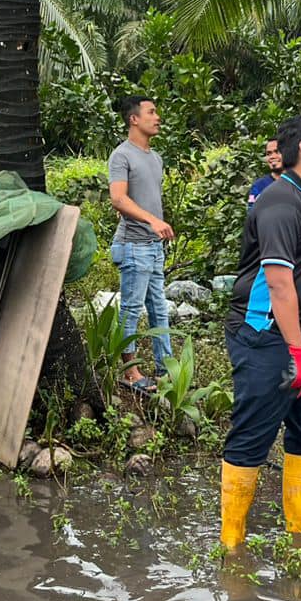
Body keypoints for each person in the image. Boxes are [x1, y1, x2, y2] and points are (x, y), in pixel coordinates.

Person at [220, 114, 301, 549]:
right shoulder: (278, 202)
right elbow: (278, 282)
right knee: (252, 435)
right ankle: (232, 546)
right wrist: (295, 353)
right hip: (265, 335)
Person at [107, 95, 174, 390]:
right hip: (133, 245)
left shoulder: (155, 158)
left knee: (159, 308)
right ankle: (130, 373)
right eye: (152, 112)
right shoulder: (121, 155)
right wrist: (153, 220)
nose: (157, 117)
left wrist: (156, 226)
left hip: (153, 247)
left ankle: (166, 370)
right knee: (131, 309)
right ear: (134, 119)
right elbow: (118, 199)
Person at [247, 137, 283, 208]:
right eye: (269, 153)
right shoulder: (258, 186)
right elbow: (250, 212)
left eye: (277, 152)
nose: (272, 156)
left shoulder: (298, 182)